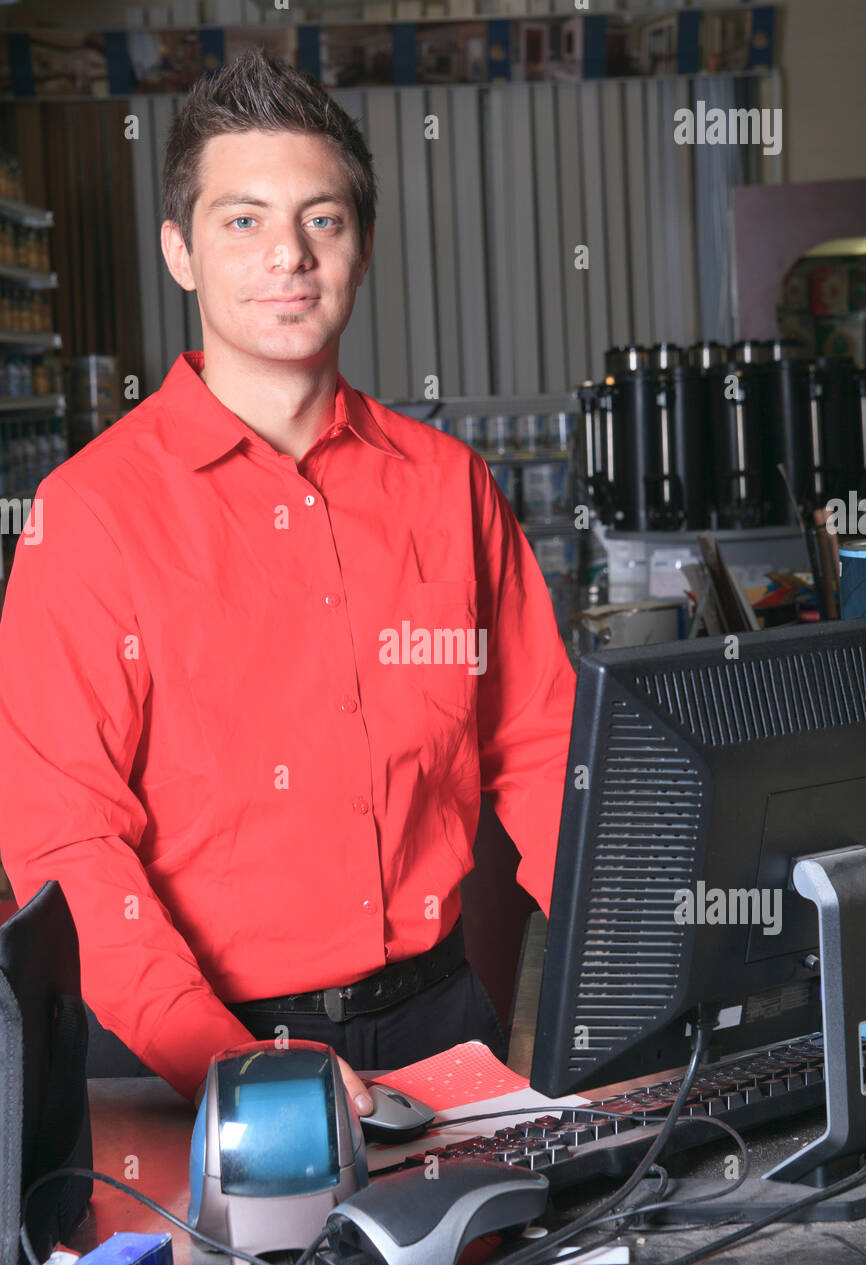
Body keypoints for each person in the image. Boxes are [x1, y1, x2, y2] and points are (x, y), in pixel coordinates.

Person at [0, 49, 576, 1118]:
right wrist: (226, 1062)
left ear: (359, 250)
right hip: (182, 1053)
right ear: (179, 252)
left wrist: (637, 954)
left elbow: (543, 750)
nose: (287, 257)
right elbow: (64, 835)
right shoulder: (90, 516)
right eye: (242, 221)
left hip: (440, 1026)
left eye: (322, 220)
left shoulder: (447, 486)